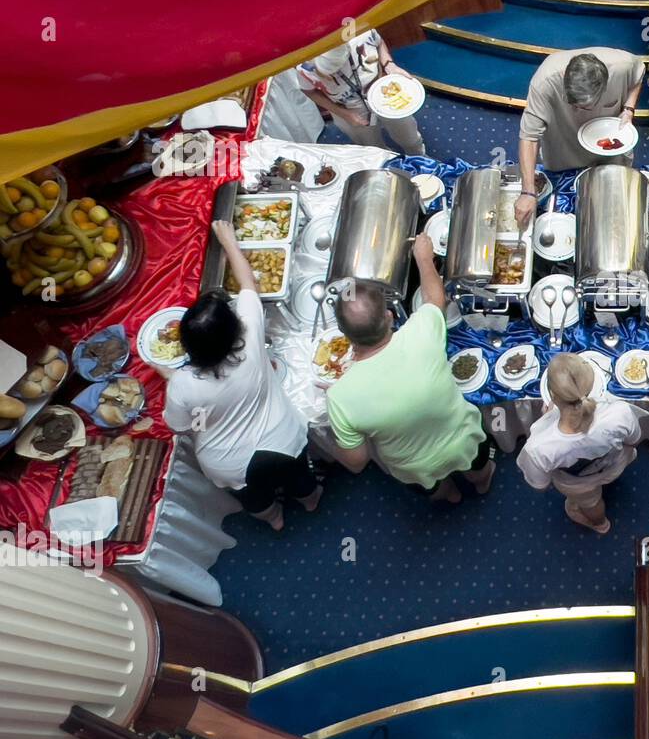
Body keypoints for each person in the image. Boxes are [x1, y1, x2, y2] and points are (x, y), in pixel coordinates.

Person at [161, 220, 319, 531]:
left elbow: (179, 426)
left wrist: (166, 374)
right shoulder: (248, 333)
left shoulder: (182, 385)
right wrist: (229, 241)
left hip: (228, 462)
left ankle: (274, 518)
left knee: (254, 499)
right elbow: (248, 284)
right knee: (301, 478)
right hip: (281, 437)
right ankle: (310, 500)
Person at [326, 234, 492, 503]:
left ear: (346, 337)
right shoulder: (421, 331)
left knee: (435, 489)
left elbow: (356, 462)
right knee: (480, 468)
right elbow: (434, 298)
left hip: (414, 466)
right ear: (390, 316)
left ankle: (451, 496)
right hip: (463, 437)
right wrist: (424, 258)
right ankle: (483, 483)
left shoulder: (338, 397)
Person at [514, 48, 644, 228]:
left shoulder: (623, 65)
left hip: (607, 143)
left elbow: (639, 75)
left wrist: (629, 109)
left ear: (604, 87)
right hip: (563, 142)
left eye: (585, 107)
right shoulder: (544, 82)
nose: (578, 111)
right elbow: (528, 137)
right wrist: (528, 192)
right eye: (573, 104)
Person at [517, 354, 647, 534]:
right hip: (616, 466)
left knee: (592, 504)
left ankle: (600, 524)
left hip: (578, 484)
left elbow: (541, 485)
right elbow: (633, 441)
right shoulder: (620, 412)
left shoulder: (538, 447)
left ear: (552, 395)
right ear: (593, 384)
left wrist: (546, 420)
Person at [298, 29, 426, 156]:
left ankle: (419, 155)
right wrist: (344, 114)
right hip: (347, 108)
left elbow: (379, 42)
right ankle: (387, 162)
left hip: (382, 94)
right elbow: (309, 91)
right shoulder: (304, 67)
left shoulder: (361, 33)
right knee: (372, 147)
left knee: (408, 135)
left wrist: (389, 64)